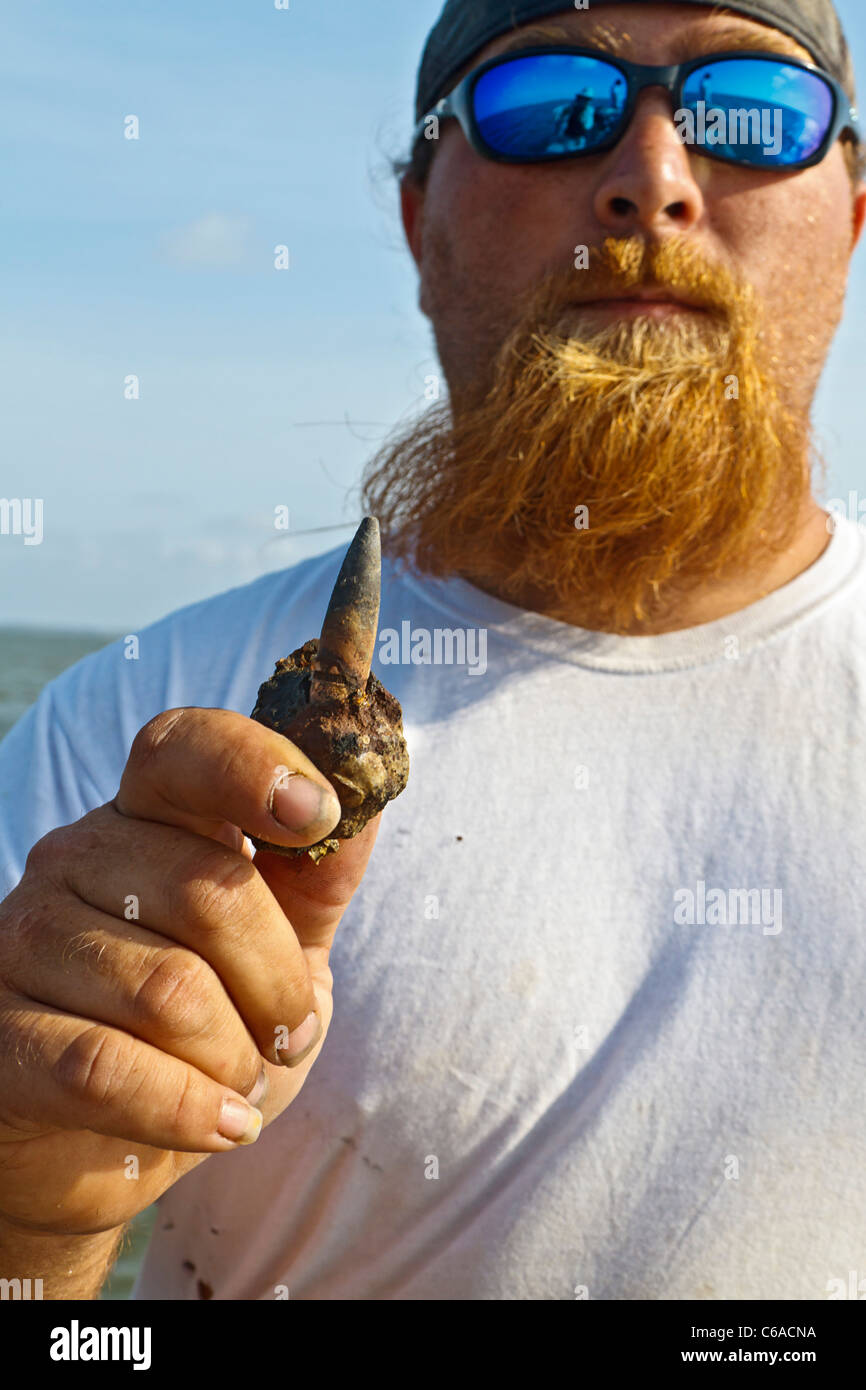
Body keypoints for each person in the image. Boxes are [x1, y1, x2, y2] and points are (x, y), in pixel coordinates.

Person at [1, 0, 865, 1302]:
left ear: (850, 216)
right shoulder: (131, 728)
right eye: (548, 107)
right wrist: (35, 1218)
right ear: (417, 220)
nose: (649, 178)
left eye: (750, 110)